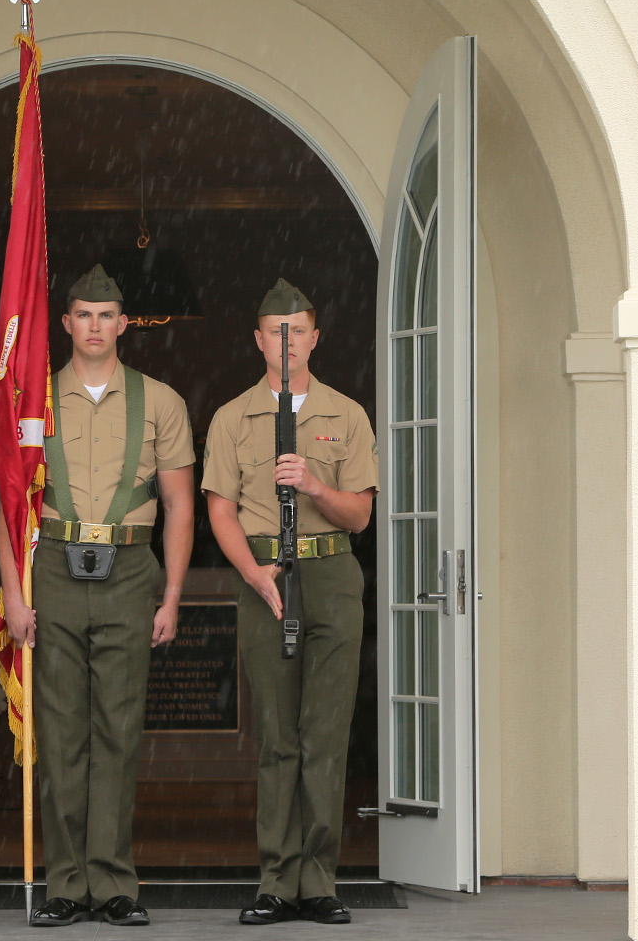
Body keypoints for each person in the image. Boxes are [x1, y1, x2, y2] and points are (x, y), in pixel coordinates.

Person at [0, 264, 196, 928]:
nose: (95, 327)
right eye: (83, 315)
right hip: (51, 566)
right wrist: (13, 596)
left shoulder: (161, 401)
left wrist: (170, 597)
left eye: (107, 316)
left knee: (117, 730)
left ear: (124, 324)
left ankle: (113, 883)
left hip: (129, 569)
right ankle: (65, 884)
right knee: (60, 733)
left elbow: (177, 504)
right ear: (66, 322)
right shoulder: (34, 401)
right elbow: (10, 507)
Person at [201, 279, 377, 927]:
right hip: (265, 576)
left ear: (314, 337)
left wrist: (315, 484)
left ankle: (319, 881)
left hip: (329, 574)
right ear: (258, 340)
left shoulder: (346, 415)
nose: (287, 341)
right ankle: (275, 881)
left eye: (297, 329)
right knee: (277, 737)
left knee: (324, 737)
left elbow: (359, 514)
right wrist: (252, 573)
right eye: (276, 330)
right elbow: (218, 510)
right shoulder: (230, 418)